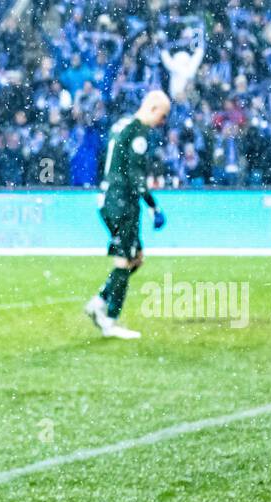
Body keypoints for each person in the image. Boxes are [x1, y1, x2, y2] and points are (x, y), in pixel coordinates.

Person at [85, 90, 171, 339]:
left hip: (109, 197)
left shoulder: (121, 124)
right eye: (162, 116)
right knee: (125, 259)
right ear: (153, 108)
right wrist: (154, 206)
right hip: (121, 202)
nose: (161, 123)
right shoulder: (139, 133)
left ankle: (100, 300)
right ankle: (110, 321)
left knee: (137, 257)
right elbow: (135, 176)